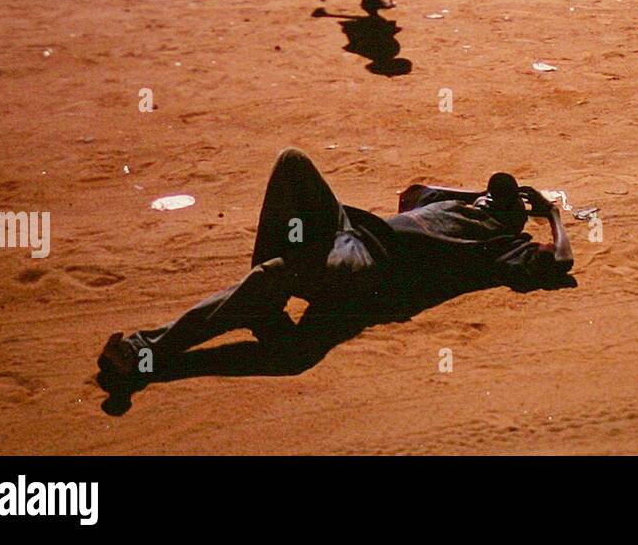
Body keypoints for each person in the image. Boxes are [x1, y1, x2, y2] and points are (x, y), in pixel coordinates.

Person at [97, 149, 574, 384]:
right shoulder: (462, 204)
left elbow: (559, 264)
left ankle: (146, 353)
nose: (491, 194)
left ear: (512, 216)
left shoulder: (500, 246)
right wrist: (473, 194)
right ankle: (265, 297)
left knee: (271, 278)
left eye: (500, 196)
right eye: (492, 188)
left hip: (368, 266)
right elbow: (411, 192)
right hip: (349, 226)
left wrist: (550, 212)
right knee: (292, 163)